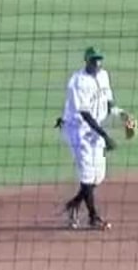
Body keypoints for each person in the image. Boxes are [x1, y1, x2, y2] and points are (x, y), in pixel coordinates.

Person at [55, 47, 133, 230]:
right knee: (88, 175)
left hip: (95, 129)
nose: (96, 63)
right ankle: (93, 217)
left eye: (99, 60)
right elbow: (85, 115)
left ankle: (73, 205)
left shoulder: (104, 75)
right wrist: (105, 136)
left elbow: (108, 102)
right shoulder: (78, 81)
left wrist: (121, 114)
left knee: (98, 175)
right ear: (86, 61)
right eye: (93, 60)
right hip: (78, 130)